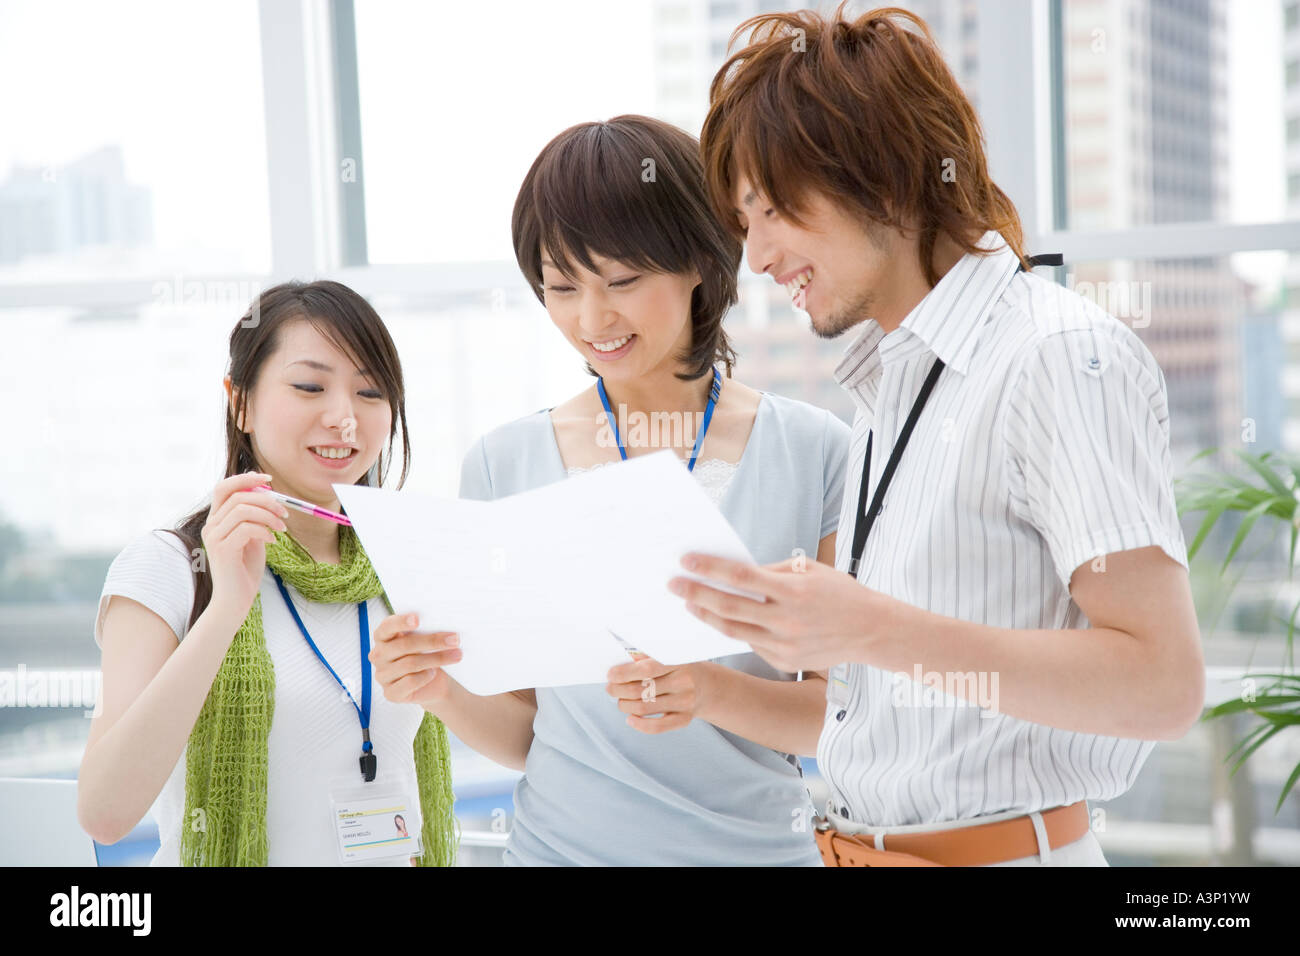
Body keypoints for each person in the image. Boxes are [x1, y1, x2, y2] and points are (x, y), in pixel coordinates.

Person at [677, 4, 1205, 866]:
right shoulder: (892, 383)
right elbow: (889, 716)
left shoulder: (1054, 356)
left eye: (775, 210)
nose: (759, 256)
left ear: (882, 177)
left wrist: (865, 628)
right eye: (746, 224)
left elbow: (1162, 685)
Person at [370, 114, 851, 866]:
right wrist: (439, 691)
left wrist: (707, 693)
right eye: (561, 288)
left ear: (700, 260)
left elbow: (840, 717)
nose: (592, 320)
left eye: (623, 281)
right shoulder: (504, 463)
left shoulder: (817, 452)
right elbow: (531, 733)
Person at [79, 280, 458, 866]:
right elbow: (105, 813)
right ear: (241, 403)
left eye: (370, 392)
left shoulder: (400, 566)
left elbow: (513, 736)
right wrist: (229, 604)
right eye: (309, 386)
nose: (344, 419)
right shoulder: (172, 567)